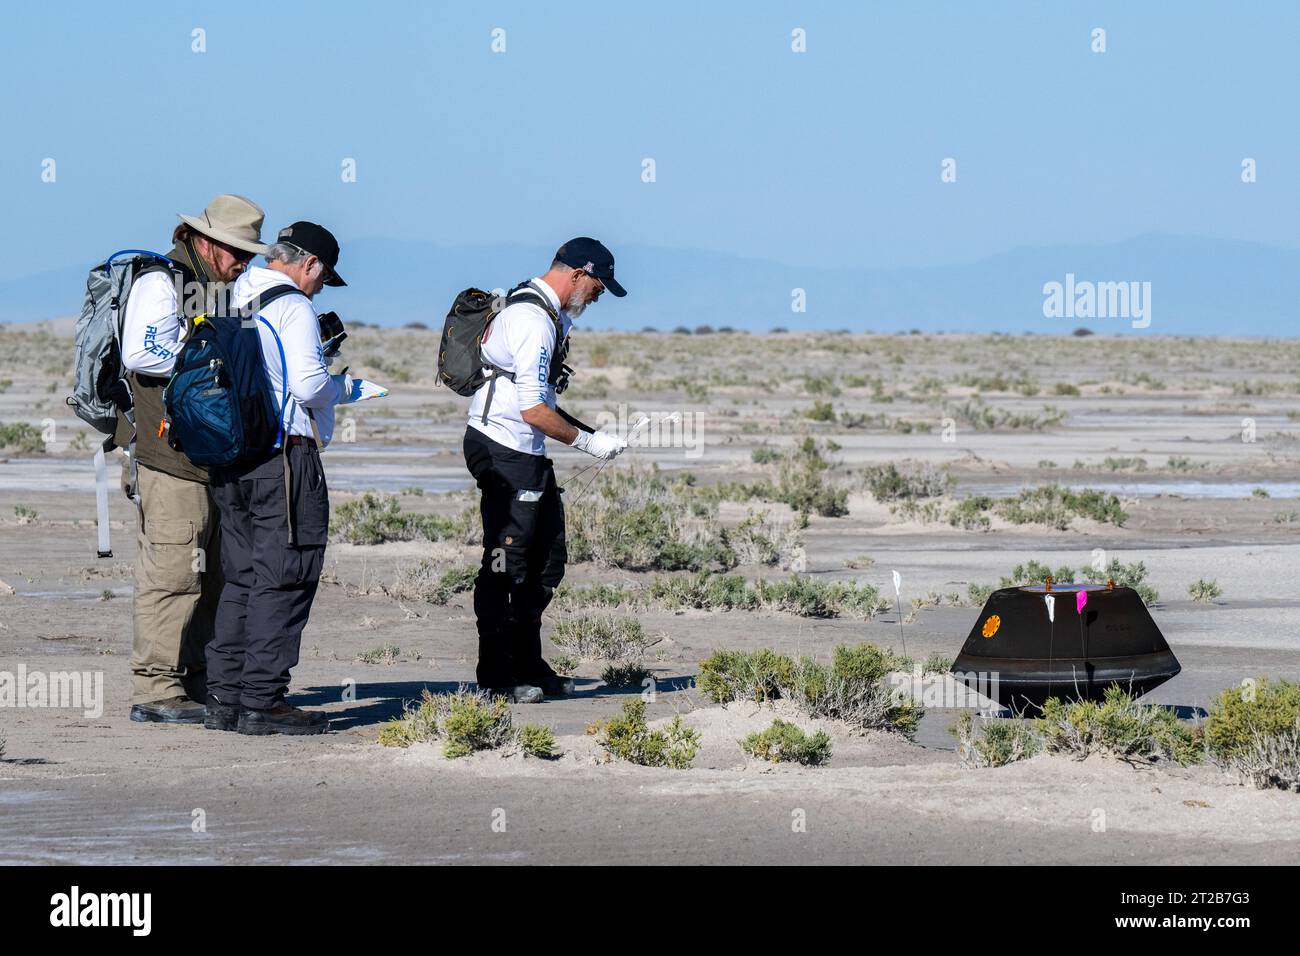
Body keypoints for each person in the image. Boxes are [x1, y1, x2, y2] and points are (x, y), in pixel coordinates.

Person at [119, 194, 269, 724]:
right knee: (173, 571)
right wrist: (205, 351)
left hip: (218, 457)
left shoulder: (225, 290)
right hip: (170, 460)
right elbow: (141, 353)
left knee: (218, 574)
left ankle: (199, 680)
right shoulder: (160, 283)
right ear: (205, 242)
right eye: (236, 252)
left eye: (249, 254)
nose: (244, 262)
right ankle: (157, 688)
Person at [203, 222, 354, 735]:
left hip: (231, 454)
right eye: (322, 276)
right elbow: (310, 385)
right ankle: (263, 702)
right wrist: (346, 387)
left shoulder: (231, 293)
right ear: (310, 264)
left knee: (241, 575)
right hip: (283, 455)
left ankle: (224, 697)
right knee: (285, 574)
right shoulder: (293, 306)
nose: (318, 287)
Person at [464, 237, 629, 702]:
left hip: (523, 451)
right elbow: (533, 409)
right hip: (503, 449)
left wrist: (588, 434)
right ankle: (497, 675)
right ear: (577, 274)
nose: (598, 296)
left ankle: (528, 662)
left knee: (545, 559)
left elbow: (538, 403)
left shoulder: (543, 312)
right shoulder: (533, 320)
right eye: (598, 286)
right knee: (506, 561)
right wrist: (588, 442)